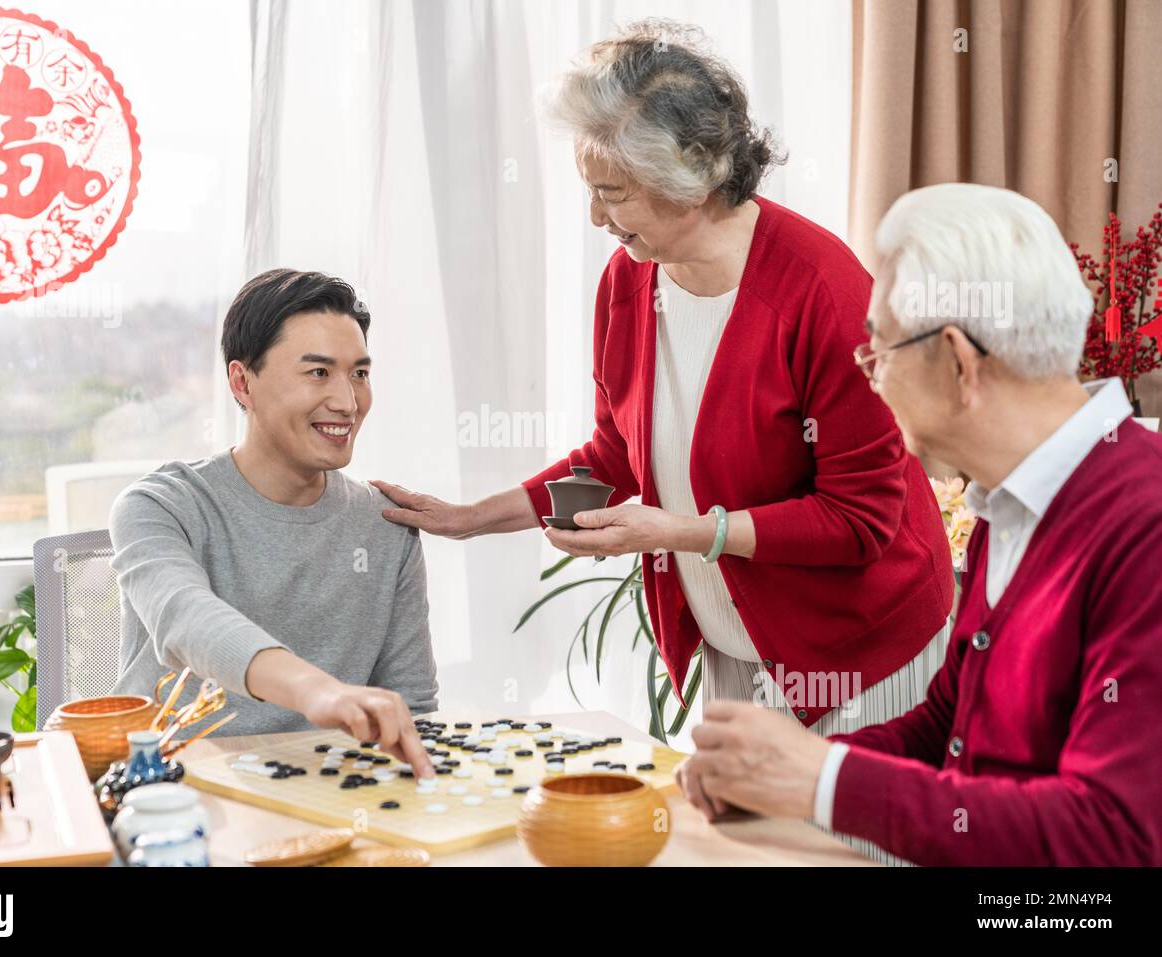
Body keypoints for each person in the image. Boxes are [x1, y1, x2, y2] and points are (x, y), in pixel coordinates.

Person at [372, 21, 952, 854]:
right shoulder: (630, 279)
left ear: (688, 180)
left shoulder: (823, 292)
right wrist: (474, 518)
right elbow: (615, 453)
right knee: (745, 852)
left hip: (857, 652)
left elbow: (863, 519)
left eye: (612, 192)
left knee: (844, 855)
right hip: (735, 646)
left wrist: (683, 530)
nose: (596, 215)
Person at [679, 183, 1162, 866]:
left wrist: (821, 780)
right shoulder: (1011, 499)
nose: (868, 376)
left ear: (960, 364)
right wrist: (777, 771)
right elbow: (951, 724)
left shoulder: (1144, 524)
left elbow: (1110, 837)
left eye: (878, 350)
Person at [109, 269, 436, 773]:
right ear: (243, 382)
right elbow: (185, 620)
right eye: (318, 373)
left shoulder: (386, 525)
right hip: (178, 794)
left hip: (330, 799)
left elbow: (413, 712)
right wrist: (315, 690)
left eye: (359, 374)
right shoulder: (161, 505)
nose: (347, 403)